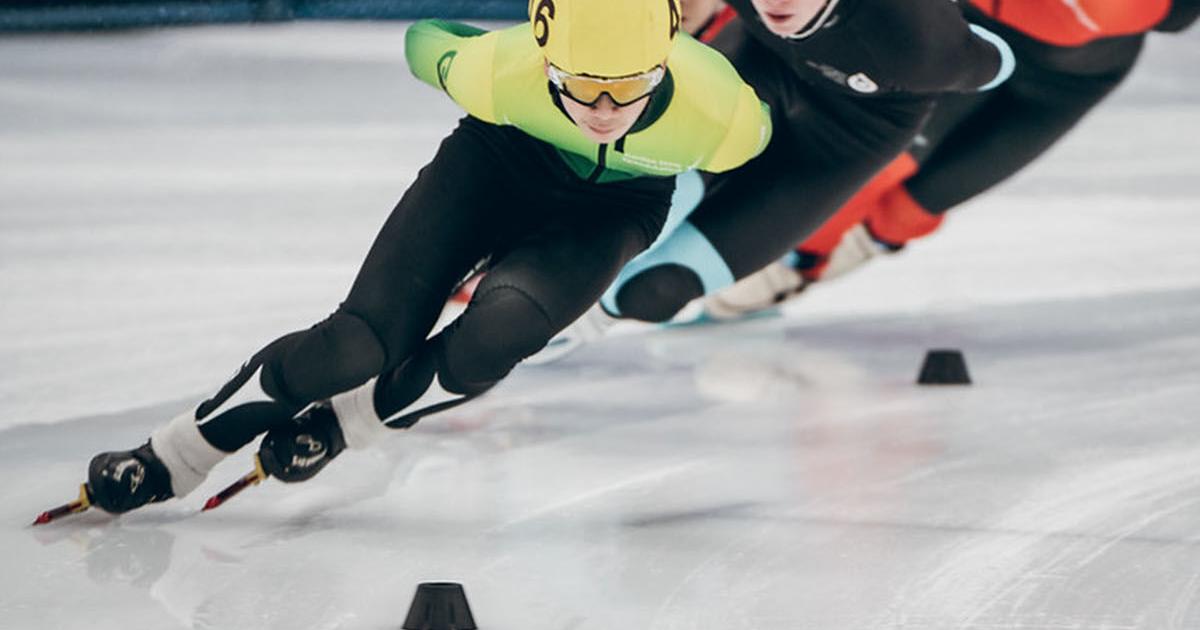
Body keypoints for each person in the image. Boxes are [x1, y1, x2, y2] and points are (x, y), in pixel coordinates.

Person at [79, 0, 772, 515]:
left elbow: (769, 143)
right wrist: (469, 51)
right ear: (542, 52)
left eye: (628, 89)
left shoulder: (721, 117)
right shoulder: (499, 72)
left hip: (609, 212)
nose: (601, 109)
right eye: (578, 83)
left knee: (498, 334)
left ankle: (345, 425)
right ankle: (174, 456)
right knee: (359, 345)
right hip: (495, 166)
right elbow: (425, 42)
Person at [529, 0, 1015, 361]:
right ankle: (526, 290)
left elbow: (998, 63)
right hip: (758, 62)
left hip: (851, 133)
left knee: (657, 289)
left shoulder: (921, 43)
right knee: (636, 203)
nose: (777, 2)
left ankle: (577, 319)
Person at [703, 0, 1200, 318]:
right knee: (877, 173)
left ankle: (797, 260)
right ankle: (794, 255)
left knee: (903, 209)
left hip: (1060, 83)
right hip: (975, 42)